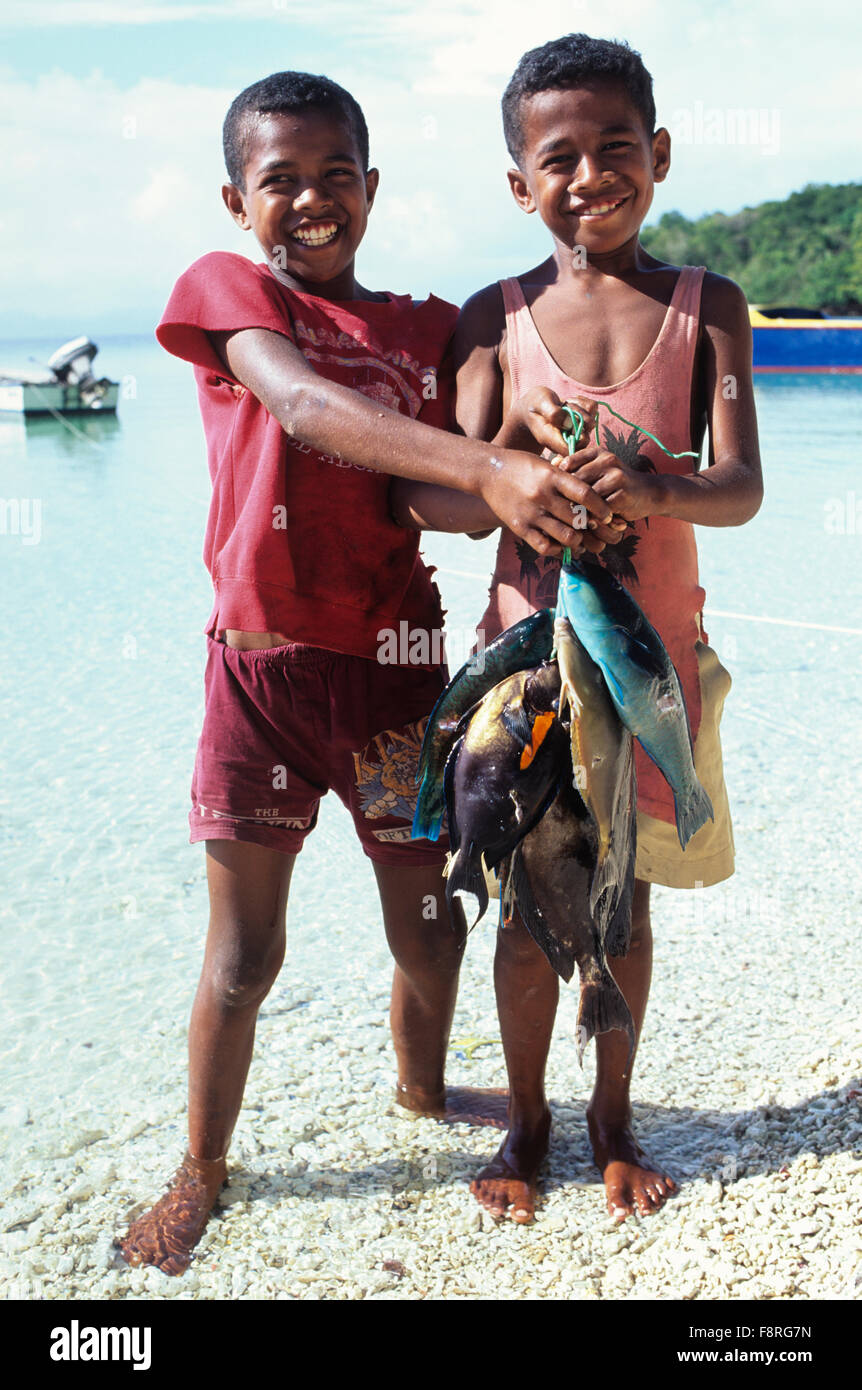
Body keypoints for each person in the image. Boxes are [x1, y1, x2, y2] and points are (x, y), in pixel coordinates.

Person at [118, 69, 618, 1276]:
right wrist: (487, 470)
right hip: (258, 680)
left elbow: (423, 493)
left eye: (336, 175)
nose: (310, 200)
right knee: (246, 957)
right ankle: (204, 1164)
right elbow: (295, 404)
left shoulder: (421, 328)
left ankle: (420, 1088)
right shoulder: (229, 289)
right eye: (278, 180)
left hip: (396, 680)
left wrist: (535, 494)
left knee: (430, 924)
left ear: (373, 186)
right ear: (237, 201)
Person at [392, 33, 763, 1226]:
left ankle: (610, 1115)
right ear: (518, 182)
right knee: (520, 907)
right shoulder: (493, 321)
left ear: (657, 155)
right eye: (559, 158)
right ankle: (526, 1114)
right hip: (528, 669)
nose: (590, 175)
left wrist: (648, 486)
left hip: (650, 668)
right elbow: (435, 495)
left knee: (625, 905)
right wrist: (515, 476)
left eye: (617, 149)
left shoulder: (706, 308)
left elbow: (740, 486)